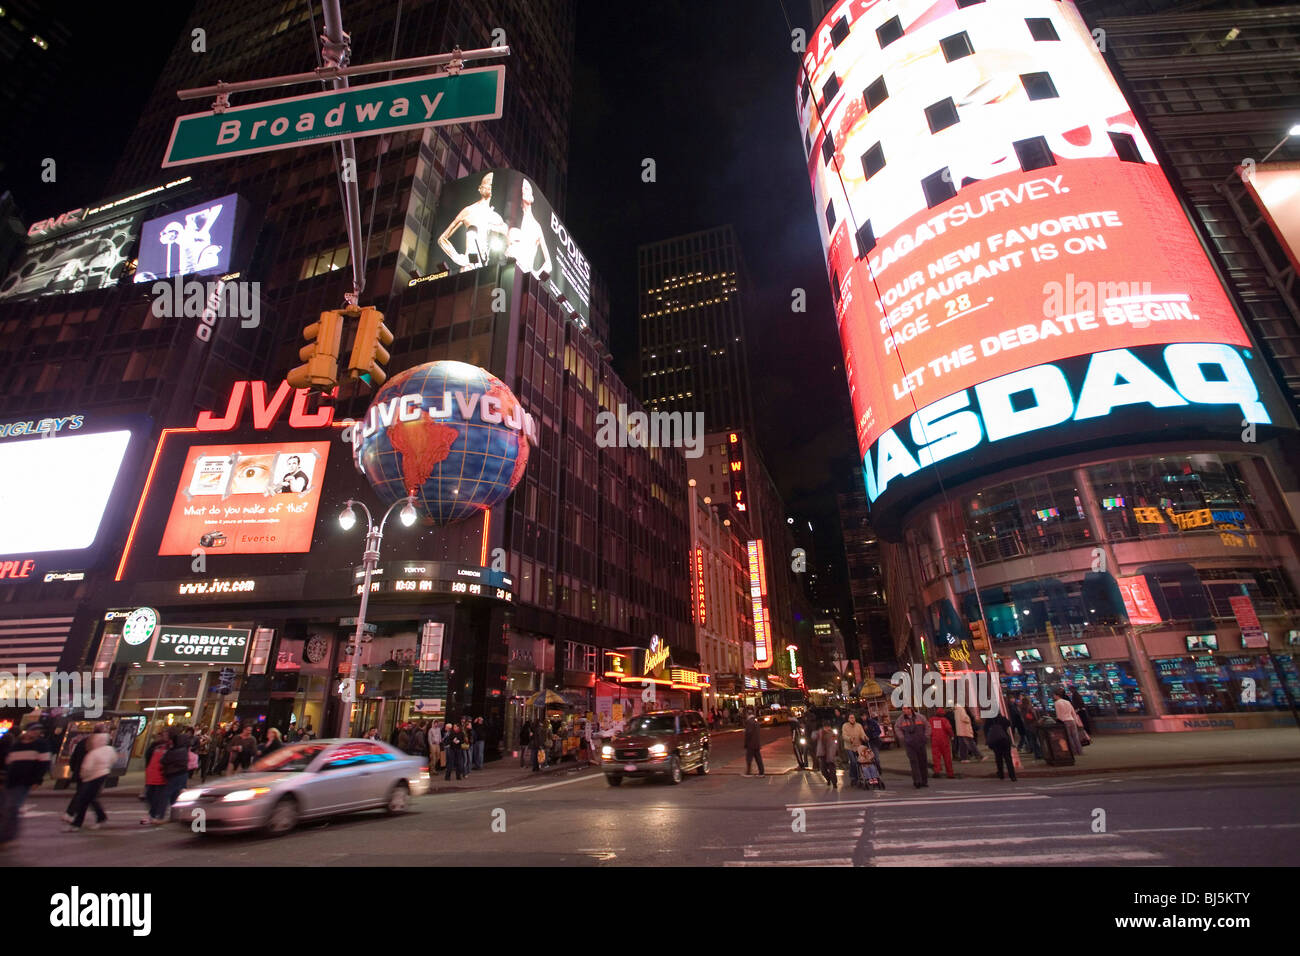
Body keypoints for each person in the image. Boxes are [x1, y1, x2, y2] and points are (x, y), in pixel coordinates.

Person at [1, 723, 53, 844]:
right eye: (34, 730)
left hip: (24, 781)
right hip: (10, 780)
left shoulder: (41, 745)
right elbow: (9, 762)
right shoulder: (17, 745)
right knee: (5, 807)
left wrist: (37, 780)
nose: (37, 732)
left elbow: (44, 764)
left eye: (38, 730)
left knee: (12, 807)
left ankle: (7, 835)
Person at [64, 731, 115, 831]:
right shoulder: (109, 749)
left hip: (90, 778)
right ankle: (99, 817)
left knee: (84, 800)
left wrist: (83, 776)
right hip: (102, 775)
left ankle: (77, 823)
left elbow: (86, 768)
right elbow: (113, 759)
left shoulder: (93, 753)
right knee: (90, 799)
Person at [141, 731, 173, 826]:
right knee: (149, 796)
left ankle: (157, 815)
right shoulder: (155, 746)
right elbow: (148, 757)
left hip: (161, 776)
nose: (162, 737)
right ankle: (153, 814)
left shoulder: (170, 747)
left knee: (159, 798)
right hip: (152, 774)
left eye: (164, 735)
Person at [895, 705, 930, 789]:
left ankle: (924, 781)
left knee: (922, 762)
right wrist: (902, 738)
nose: (904, 710)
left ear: (910, 709)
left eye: (906, 708)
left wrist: (926, 736)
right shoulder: (901, 719)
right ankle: (917, 781)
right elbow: (897, 728)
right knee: (914, 762)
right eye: (903, 709)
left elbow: (927, 726)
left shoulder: (920, 717)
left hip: (920, 742)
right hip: (910, 744)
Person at [984, 710, 1017, 782]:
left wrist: (988, 740)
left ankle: (1001, 774)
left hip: (995, 741)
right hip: (1004, 739)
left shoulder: (989, 720)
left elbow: (986, 730)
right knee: (1008, 758)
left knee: (998, 758)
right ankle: (1012, 775)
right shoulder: (1002, 718)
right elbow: (1009, 723)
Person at [841, 714, 867, 787]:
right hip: (849, 746)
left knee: (861, 761)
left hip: (858, 746)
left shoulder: (858, 725)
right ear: (848, 719)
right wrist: (849, 739)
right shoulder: (845, 726)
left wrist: (865, 737)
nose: (852, 719)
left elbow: (862, 733)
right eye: (851, 718)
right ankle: (853, 777)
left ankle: (861, 775)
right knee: (853, 761)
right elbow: (844, 735)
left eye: (853, 718)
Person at [929, 708, 955, 778]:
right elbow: (948, 728)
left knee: (936, 757)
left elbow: (929, 729)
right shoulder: (944, 720)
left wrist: (930, 736)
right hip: (944, 740)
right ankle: (950, 773)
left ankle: (937, 771)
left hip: (935, 740)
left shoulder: (931, 720)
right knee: (947, 757)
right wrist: (952, 735)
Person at [815, 720, 839, 788]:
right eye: (825, 727)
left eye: (828, 727)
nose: (827, 728)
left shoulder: (832, 733)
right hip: (822, 753)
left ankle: (834, 783)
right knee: (823, 769)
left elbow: (836, 743)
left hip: (830, 753)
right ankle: (828, 779)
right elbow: (813, 736)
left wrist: (835, 750)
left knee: (832, 769)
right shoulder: (820, 732)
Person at [1018, 695, 1043, 760]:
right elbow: (1030, 717)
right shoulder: (1028, 709)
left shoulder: (1022, 708)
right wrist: (1037, 720)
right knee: (1036, 740)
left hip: (1028, 726)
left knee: (1033, 740)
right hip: (1033, 726)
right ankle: (1039, 754)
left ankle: (1037, 754)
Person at [743, 709, 765, 776]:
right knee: (758, 758)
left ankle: (748, 772)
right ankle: (761, 772)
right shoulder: (755, 721)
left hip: (751, 744)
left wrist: (746, 743)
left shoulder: (749, 722)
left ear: (747, 714)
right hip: (756, 743)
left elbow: (749, 733)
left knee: (749, 758)